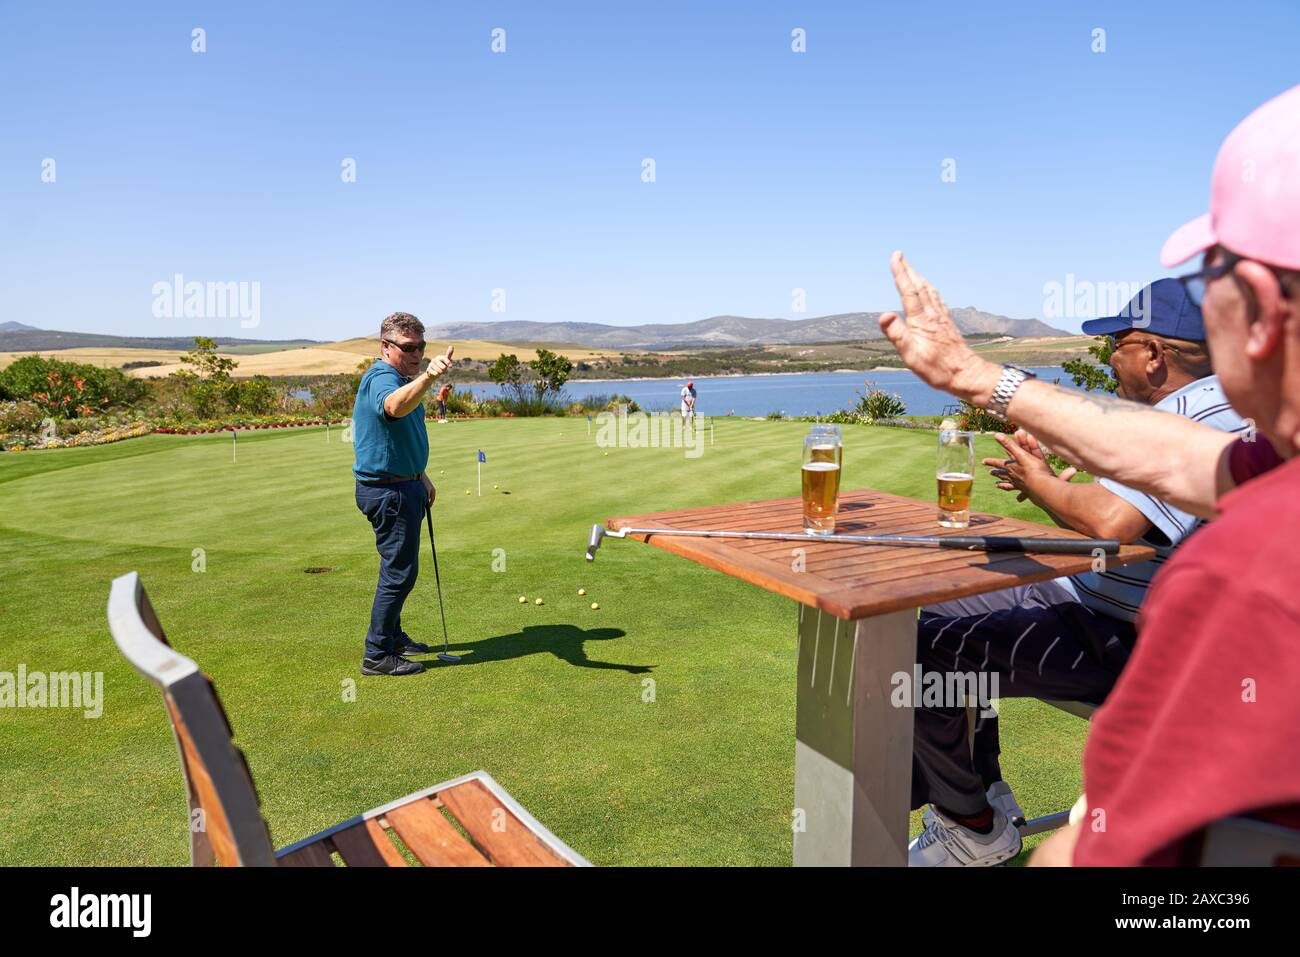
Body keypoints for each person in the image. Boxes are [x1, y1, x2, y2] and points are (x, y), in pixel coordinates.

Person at [878, 84, 1300, 866]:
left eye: (1217, 277)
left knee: (938, 642)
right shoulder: (1271, 460)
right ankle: (975, 810)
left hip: (1114, 633)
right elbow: (1177, 456)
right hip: (1095, 603)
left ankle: (972, 824)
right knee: (953, 616)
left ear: (1264, 306)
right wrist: (977, 377)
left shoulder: (1246, 576)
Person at [907, 281, 1244, 866]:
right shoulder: (1210, 405)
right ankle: (982, 790)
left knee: (919, 655)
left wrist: (1042, 484)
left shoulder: (1198, 413)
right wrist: (1051, 489)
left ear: (1154, 354)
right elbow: (1128, 517)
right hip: (1097, 600)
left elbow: (1112, 523)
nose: (1110, 357)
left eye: (1116, 343)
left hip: (1138, 641)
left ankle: (972, 826)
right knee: (947, 602)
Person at [351, 311, 454, 677]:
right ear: (386, 346)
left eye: (421, 347)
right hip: (389, 493)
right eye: (409, 347)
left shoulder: (399, 378)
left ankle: (392, 638)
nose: (417, 354)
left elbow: (396, 436)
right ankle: (377, 654)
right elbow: (393, 407)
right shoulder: (382, 377)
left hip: (404, 484)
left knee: (399, 570)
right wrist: (429, 376)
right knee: (399, 574)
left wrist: (420, 475)